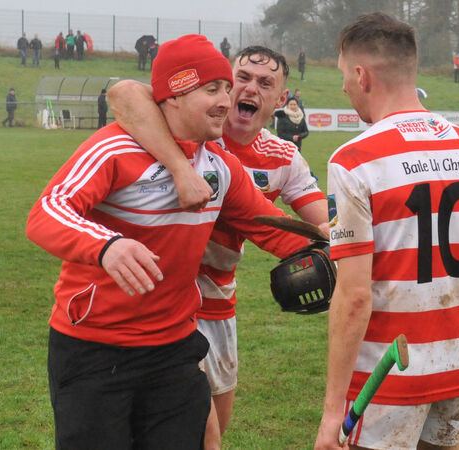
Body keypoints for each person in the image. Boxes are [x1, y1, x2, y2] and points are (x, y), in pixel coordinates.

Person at [26, 34, 309, 448]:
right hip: (94, 348)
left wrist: (336, 250)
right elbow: (47, 212)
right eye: (212, 90)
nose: (226, 101)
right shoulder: (113, 148)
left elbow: (272, 226)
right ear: (174, 96)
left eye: (226, 89)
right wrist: (107, 246)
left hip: (174, 350)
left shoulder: (220, 166)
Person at [314, 13, 459, 450]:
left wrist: (333, 413)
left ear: (361, 75)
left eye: (343, 76)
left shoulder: (354, 161)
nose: (344, 88)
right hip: (457, 365)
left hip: (386, 375)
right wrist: (438, 290)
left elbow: (354, 298)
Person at [108, 44, 328, 449]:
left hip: (219, 303)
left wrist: (353, 246)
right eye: (242, 78)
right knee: (200, 433)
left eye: (265, 83)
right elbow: (123, 92)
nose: (250, 89)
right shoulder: (189, 127)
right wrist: (178, 165)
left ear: (281, 99)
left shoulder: (283, 157)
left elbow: (324, 227)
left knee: (214, 432)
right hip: (162, 299)